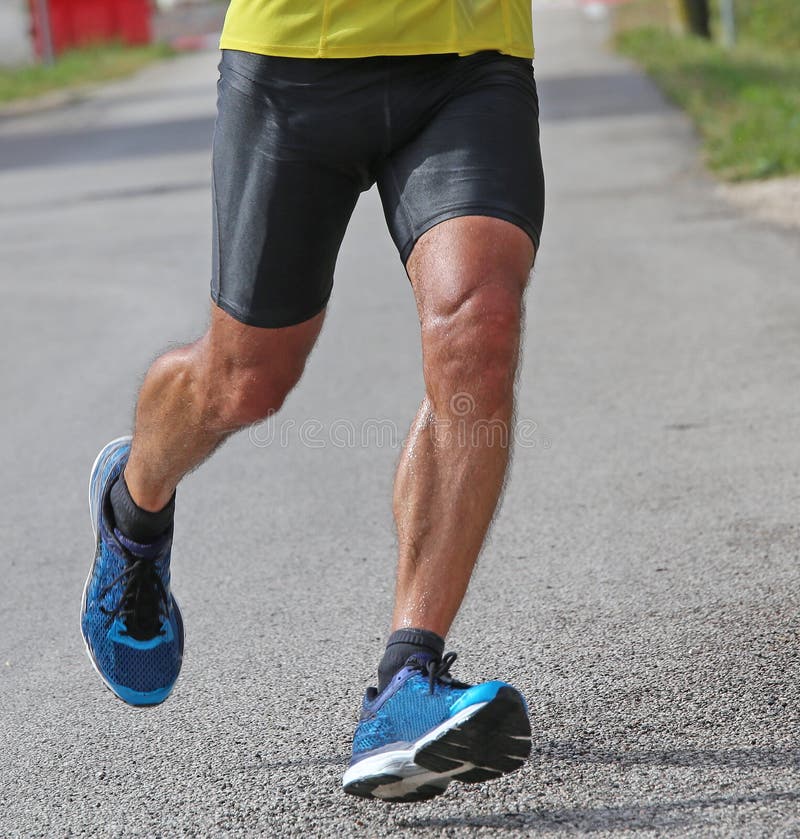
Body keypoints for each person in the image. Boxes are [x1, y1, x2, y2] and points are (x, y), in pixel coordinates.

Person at [80, 0, 545, 804]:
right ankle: (133, 508)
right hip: (296, 59)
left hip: (471, 55)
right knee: (245, 379)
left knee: (480, 330)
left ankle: (407, 680)